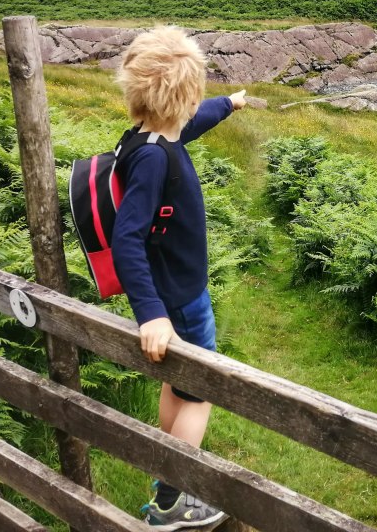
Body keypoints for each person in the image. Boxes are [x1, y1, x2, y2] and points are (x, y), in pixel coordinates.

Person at [111, 26, 245, 529]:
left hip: (174, 293)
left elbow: (192, 123)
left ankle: (166, 475)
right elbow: (127, 239)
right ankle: (172, 501)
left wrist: (228, 104)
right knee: (201, 390)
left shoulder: (146, 138)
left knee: (179, 383)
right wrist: (151, 314)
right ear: (185, 97)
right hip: (180, 298)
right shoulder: (154, 159)